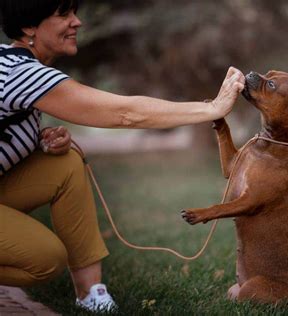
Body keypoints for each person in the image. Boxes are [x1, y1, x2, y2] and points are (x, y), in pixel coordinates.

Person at [0, 0, 245, 312]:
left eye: (75, 12)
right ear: (28, 27)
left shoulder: (13, 65)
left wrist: (40, 141)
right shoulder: (20, 73)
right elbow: (125, 114)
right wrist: (212, 108)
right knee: (45, 259)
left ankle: (91, 296)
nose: (77, 22)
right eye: (63, 14)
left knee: (65, 161)